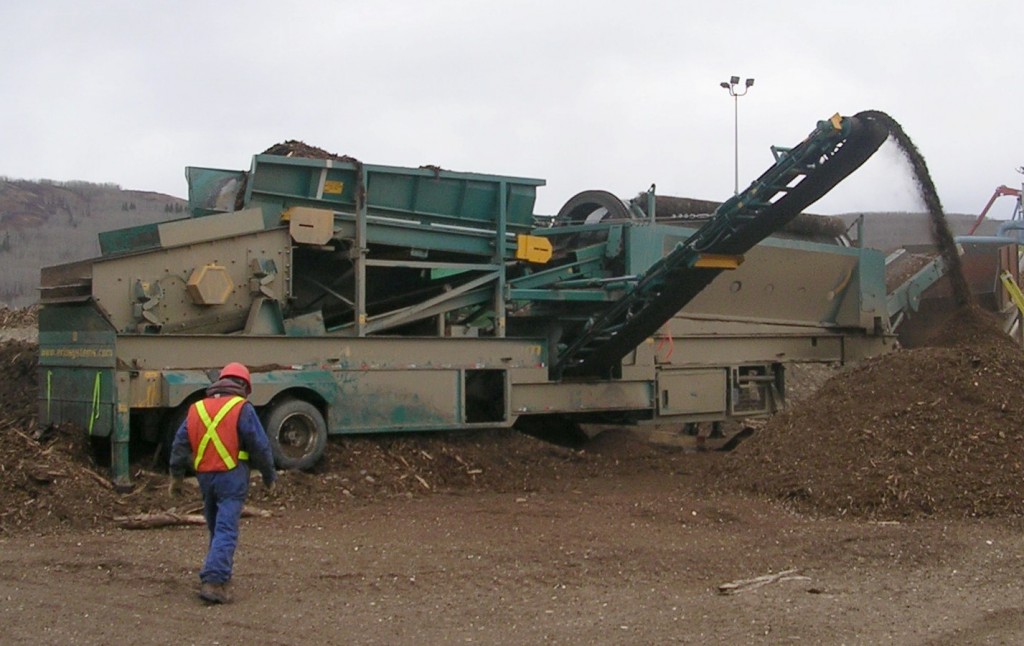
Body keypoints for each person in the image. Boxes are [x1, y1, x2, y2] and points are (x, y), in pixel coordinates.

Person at [168, 362, 277, 604]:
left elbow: (179, 445)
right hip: (232, 476)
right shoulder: (242, 408)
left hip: (205, 477)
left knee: (216, 527)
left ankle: (218, 573)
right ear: (244, 386)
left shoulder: (197, 408)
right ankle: (215, 582)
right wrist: (269, 477)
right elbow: (260, 445)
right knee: (226, 529)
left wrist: (176, 477)